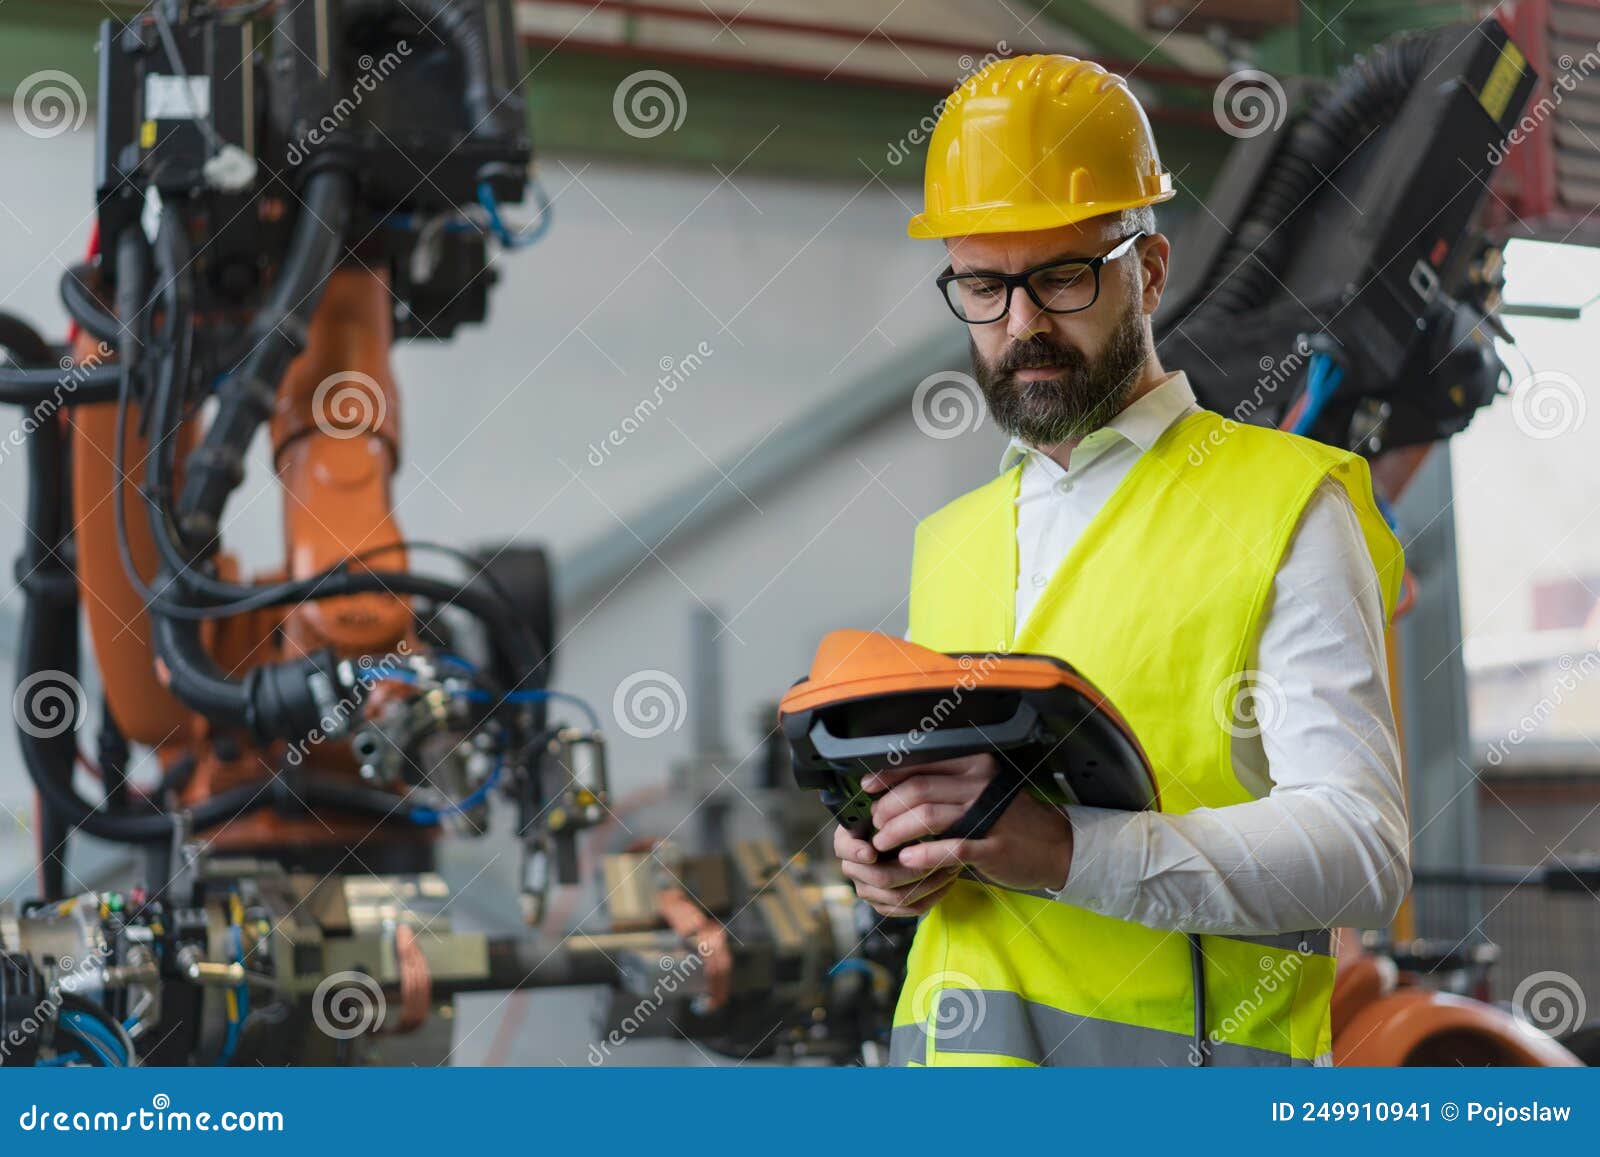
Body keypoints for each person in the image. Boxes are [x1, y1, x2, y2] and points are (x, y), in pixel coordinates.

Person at [834, 53, 1410, 1067]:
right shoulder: (952, 538)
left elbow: (1362, 849)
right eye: (981, 283)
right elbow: (959, 822)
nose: (1020, 326)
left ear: (1147, 268)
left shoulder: (1283, 502)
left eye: (1059, 275)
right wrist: (899, 859)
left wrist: (1066, 853)